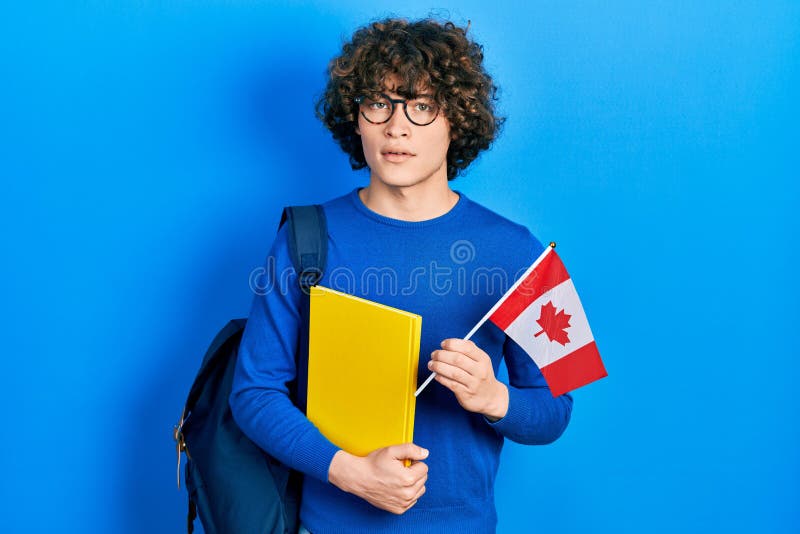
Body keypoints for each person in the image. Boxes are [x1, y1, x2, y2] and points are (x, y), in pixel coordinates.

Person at [230, 17, 573, 533]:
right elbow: (254, 393)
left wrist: (493, 397)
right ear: (356, 118)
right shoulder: (302, 238)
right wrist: (349, 473)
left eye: (422, 106)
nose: (397, 127)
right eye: (378, 103)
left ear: (457, 119)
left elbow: (558, 409)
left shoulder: (522, 251)